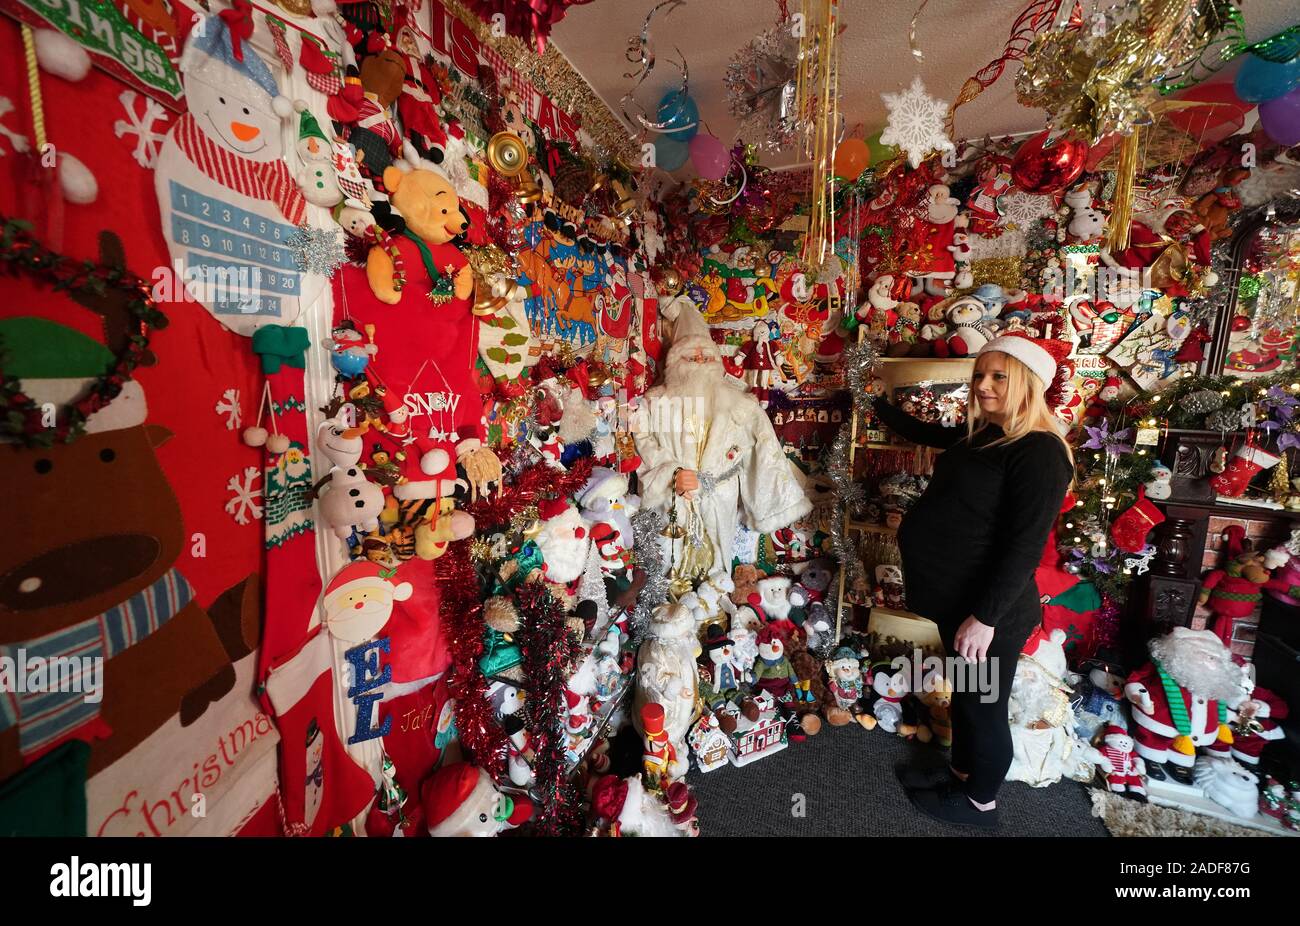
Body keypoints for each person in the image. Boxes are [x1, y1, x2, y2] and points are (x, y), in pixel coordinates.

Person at [869, 333, 1074, 828]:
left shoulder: (1040, 452)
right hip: (956, 600)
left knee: (983, 705)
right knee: (967, 694)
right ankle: (961, 775)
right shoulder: (985, 434)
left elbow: (1023, 548)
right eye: (979, 374)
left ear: (1027, 382)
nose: (982, 385)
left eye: (998, 376)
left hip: (987, 611)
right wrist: (872, 399)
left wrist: (984, 619)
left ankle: (981, 803)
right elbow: (926, 434)